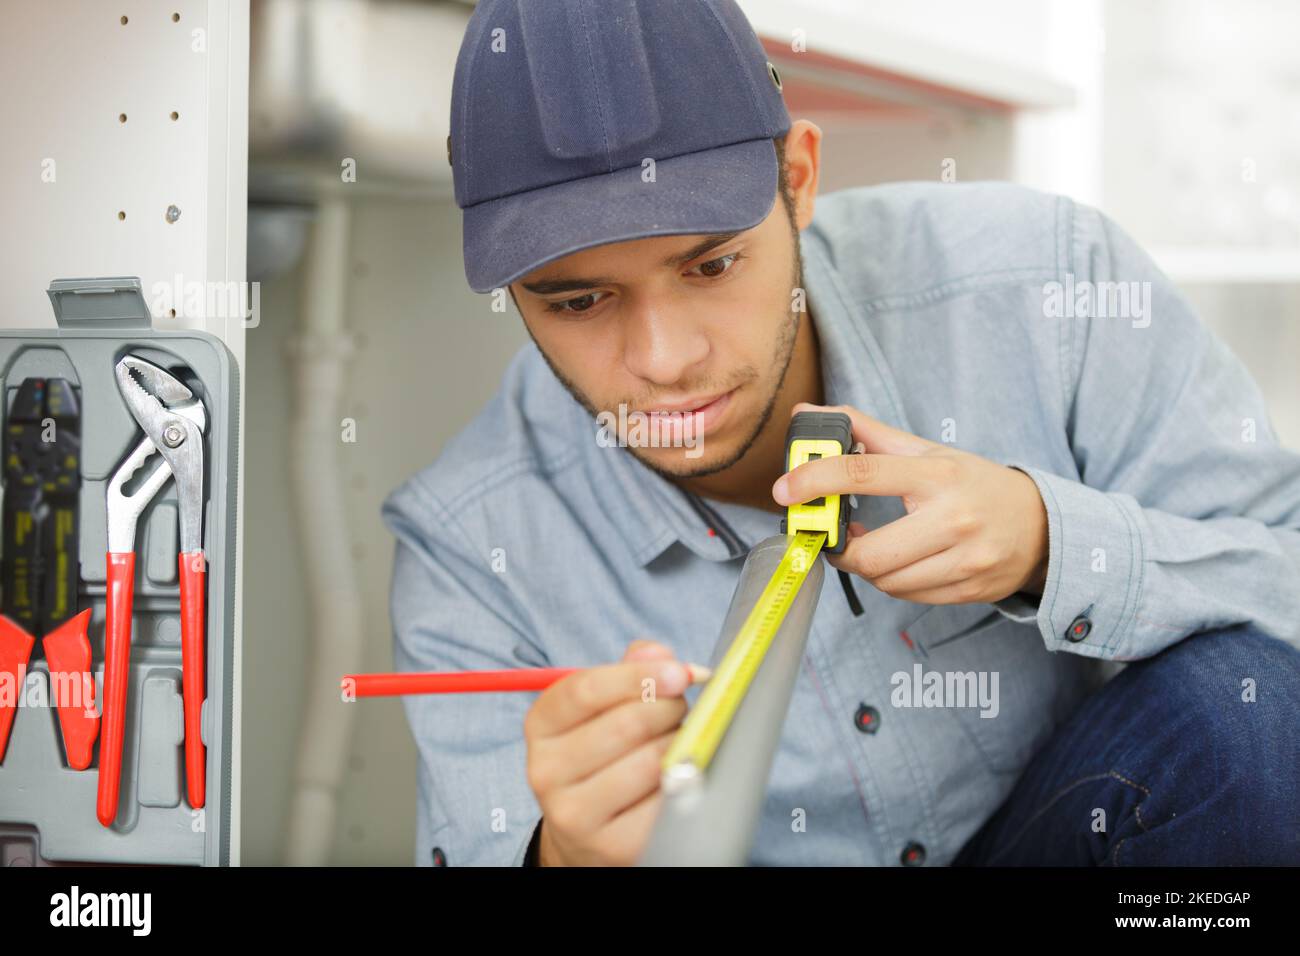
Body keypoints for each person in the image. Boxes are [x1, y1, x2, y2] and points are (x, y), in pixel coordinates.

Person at [381, 0, 1300, 866]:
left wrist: (1048, 541)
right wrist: (567, 856)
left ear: (799, 179)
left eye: (712, 264)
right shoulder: (468, 547)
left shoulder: (1051, 284)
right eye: (579, 300)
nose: (663, 359)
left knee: (1245, 710)